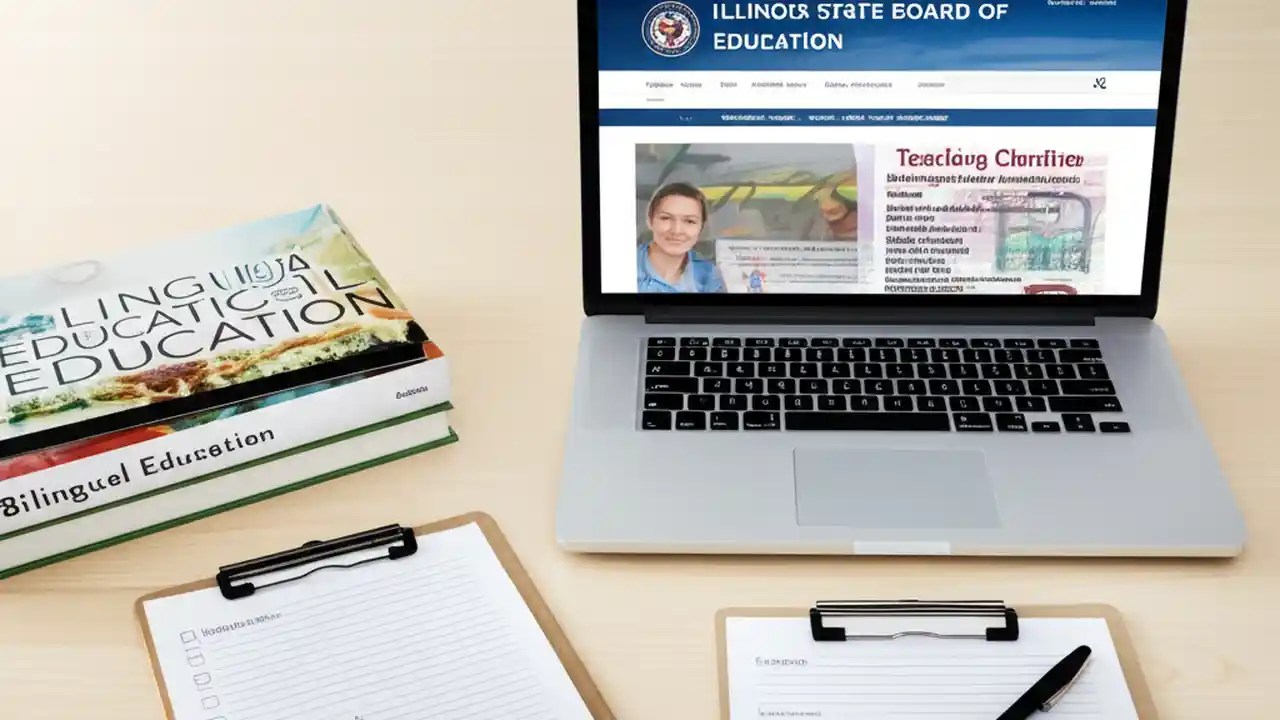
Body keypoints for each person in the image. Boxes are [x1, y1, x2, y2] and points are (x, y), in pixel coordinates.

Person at [637, 182, 726, 293]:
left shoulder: (708, 276)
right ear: (650, 221)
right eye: (666, 218)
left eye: (689, 221)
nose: (677, 230)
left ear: (701, 228)